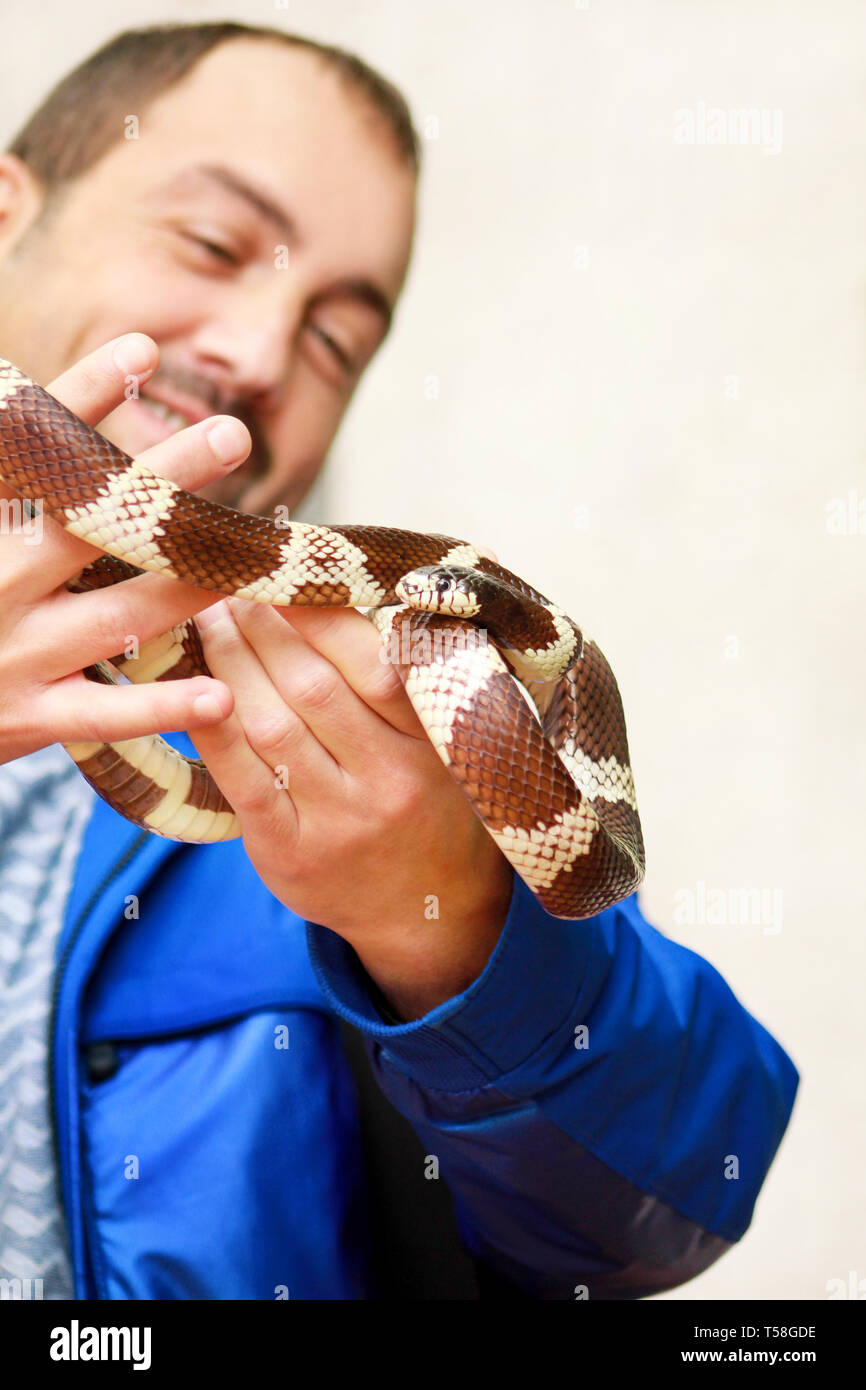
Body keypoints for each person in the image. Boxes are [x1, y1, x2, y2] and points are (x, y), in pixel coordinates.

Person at [0, 21, 798, 1301]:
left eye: (333, 340)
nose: (257, 356)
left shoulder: (350, 750)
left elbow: (675, 1193)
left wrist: (448, 924)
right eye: (211, 244)